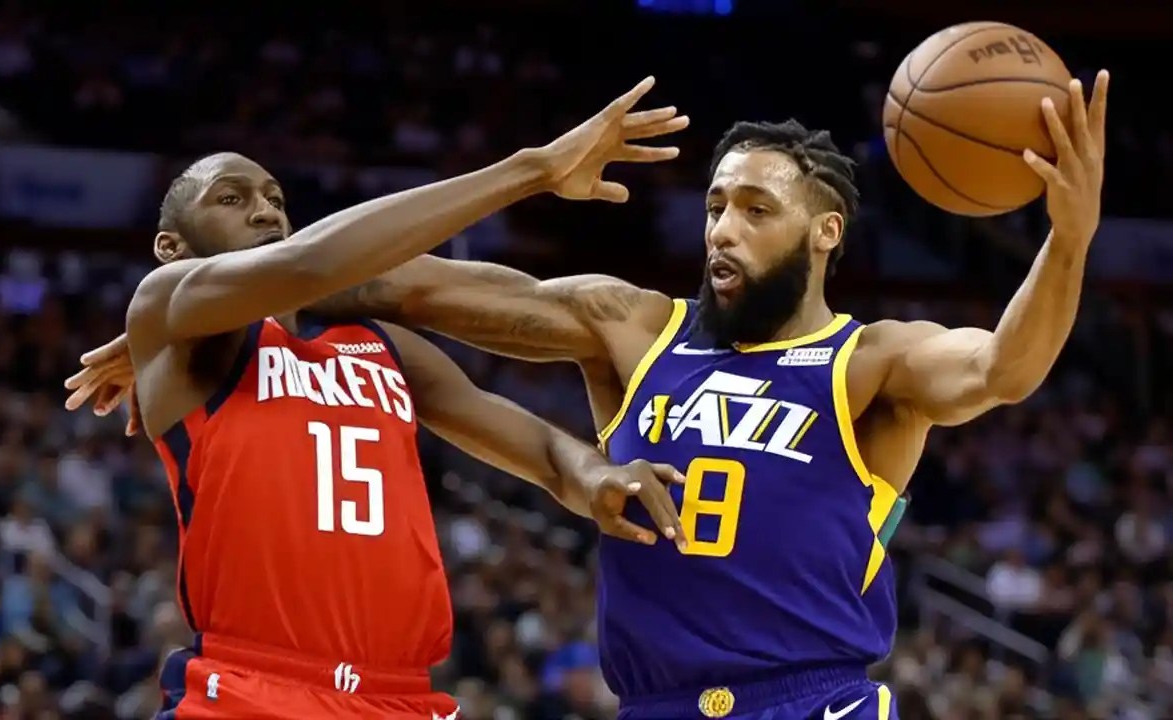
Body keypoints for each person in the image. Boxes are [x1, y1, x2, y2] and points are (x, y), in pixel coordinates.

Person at [69, 72, 1109, 719]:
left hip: (809, 702)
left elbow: (1003, 368)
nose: (720, 230)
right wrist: (170, 316)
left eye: (753, 208)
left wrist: (1066, 239)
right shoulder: (631, 326)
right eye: (710, 206)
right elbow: (383, 277)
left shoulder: (874, 360)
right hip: (646, 705)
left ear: (824, 230)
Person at [84, 78, 695, 720]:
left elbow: (540, 448)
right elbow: (309, 266)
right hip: (250, 689)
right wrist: (532, 169)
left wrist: (596, 475)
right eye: (231, 199)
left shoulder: (380, 345)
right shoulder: (165, 310)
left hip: (402, 695)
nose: (265, 211)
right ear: (170, 248)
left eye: (275, 199)